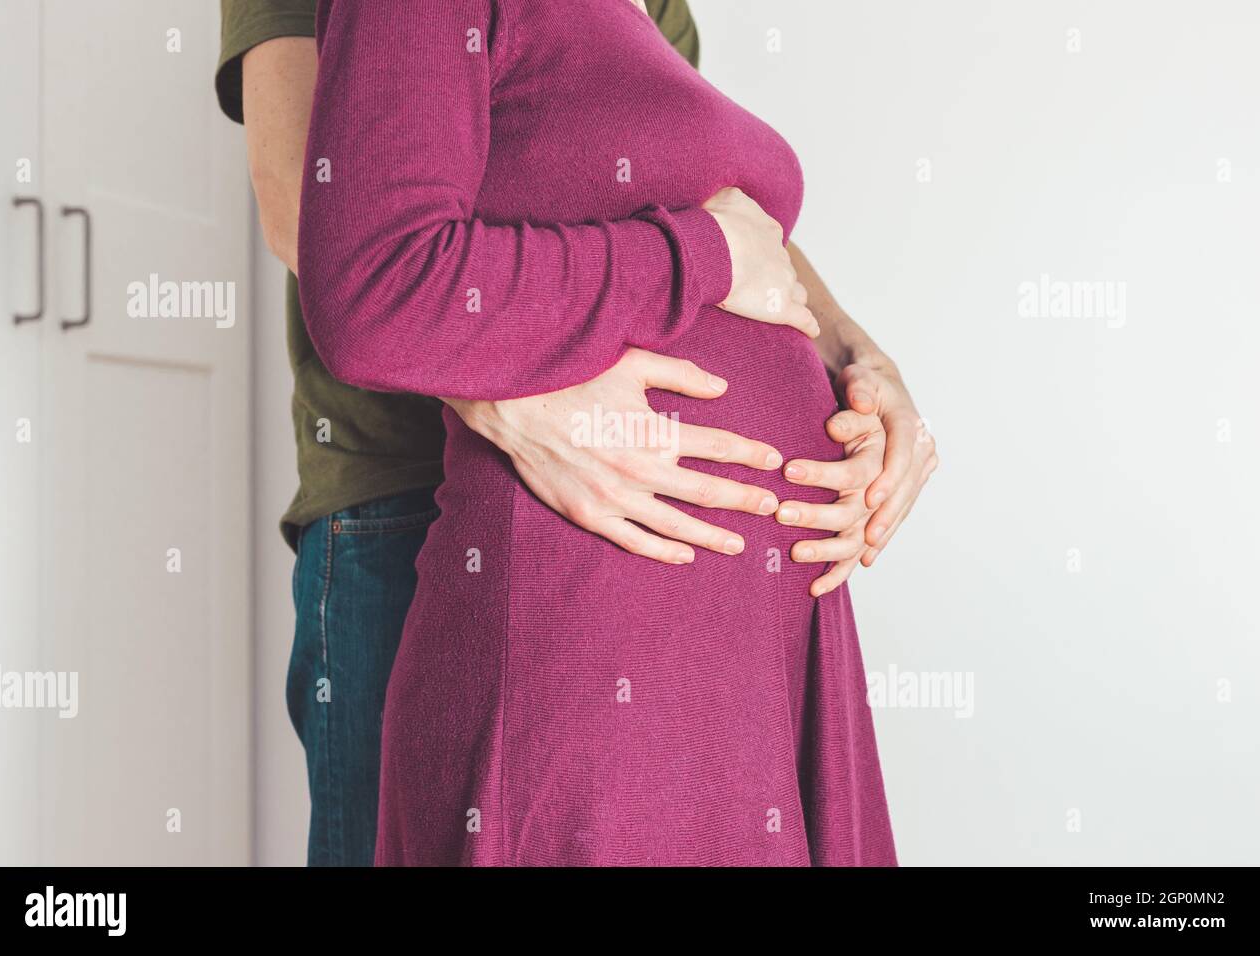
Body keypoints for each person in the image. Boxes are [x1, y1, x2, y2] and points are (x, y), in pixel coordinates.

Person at [219, 0, 934, 866]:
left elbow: (693, 203)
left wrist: (858, 361)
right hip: (428, 501)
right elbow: (332, 224)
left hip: (733, 600)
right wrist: (515, 395)